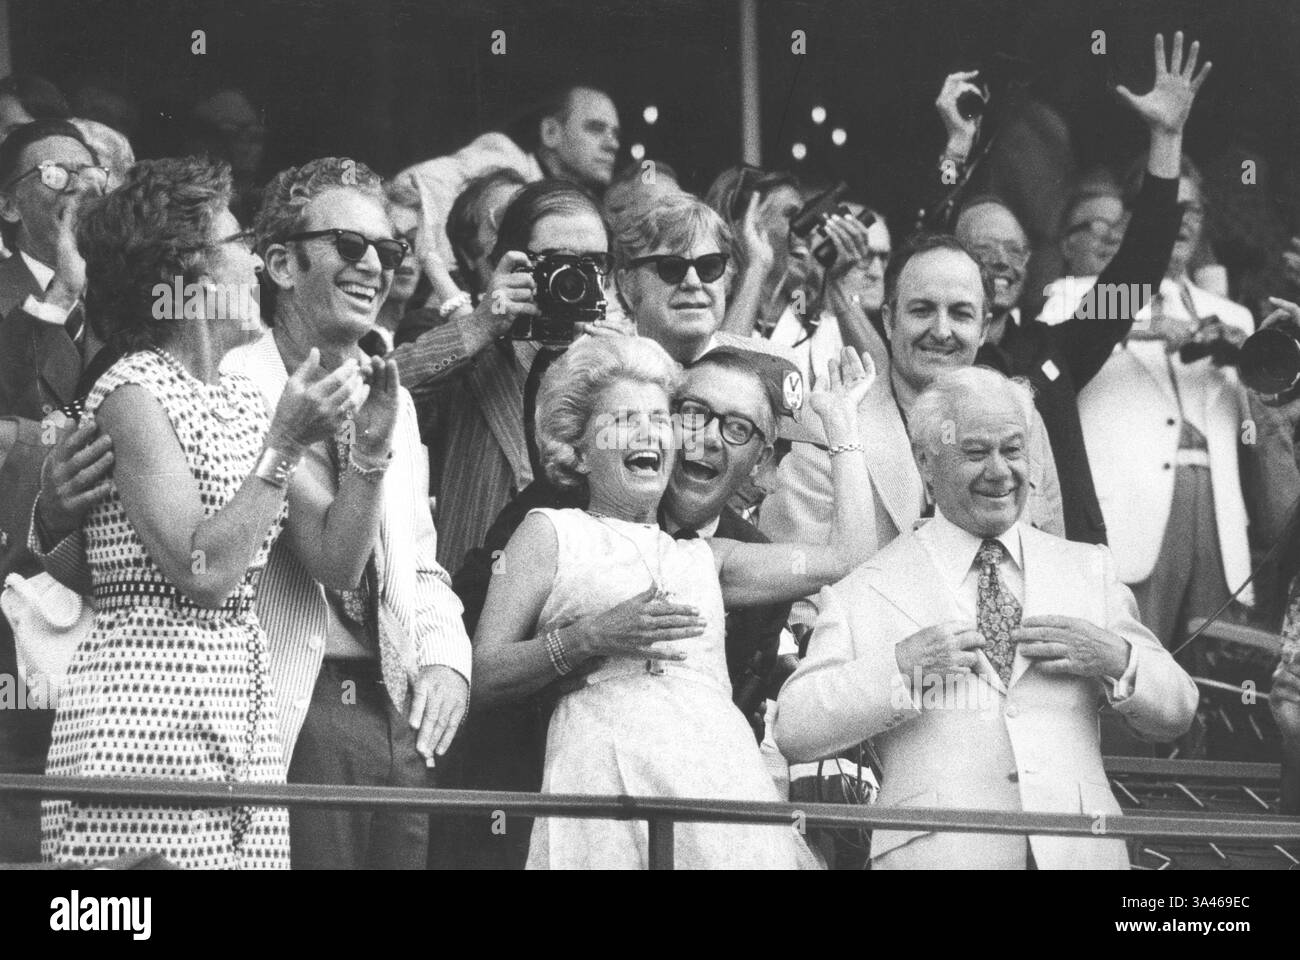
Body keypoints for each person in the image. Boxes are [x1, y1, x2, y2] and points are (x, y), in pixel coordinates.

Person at [37, 156, 360, 867]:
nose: (254, 264)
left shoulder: (245, 396)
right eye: (240, 242)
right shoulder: (132, 392)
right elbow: (203, 571)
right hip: (143, 720)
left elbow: (337, 560)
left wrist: (372, 449)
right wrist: (284, 446)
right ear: (187, 272)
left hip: (241, 720)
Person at [473, 334, 874, 869]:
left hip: (717, 776)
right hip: (602, 774)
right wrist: (585, 640)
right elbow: (478, 676)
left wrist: (842, 426)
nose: (649, 434)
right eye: (624, 421)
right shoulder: (548, 532)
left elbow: (849, 556)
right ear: (578, 450)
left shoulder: (710, 557)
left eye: (659, 420)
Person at [775, 366, 1199, 870]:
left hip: (1078, 853)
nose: (1000, 471)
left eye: (1013, 450)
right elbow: (794, 729)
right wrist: (901, 669)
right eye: (975, 453)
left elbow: (1178, 711)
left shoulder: (1087, 568)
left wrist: (1115, 658)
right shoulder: (867, 587)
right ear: (926, 464)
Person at [222, 156, 472, 869]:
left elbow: (418, 565)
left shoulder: (388, 392)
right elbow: (333, 560)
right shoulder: (235, 384)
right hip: (290, 711)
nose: (375, 268)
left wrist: (448, 662)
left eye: (389, 251)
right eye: (351, 245)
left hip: (396, 715)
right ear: (280, 262)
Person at [949, 31, 1209, 546]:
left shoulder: (1056, 346)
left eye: (1015, 249)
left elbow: (1134, 276)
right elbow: (917, 255)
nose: (1001, 262)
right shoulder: (936, 356)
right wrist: (955, 154)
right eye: (984, 250)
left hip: (1068, 573)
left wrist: (1166, 140)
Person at [759, 232, 1065, 625]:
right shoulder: (830, 421)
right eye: (922, 310)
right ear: (888, 320)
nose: (941, 330)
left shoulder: (1022, 419)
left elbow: (1051, 558)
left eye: (960, 313)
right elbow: (796, 599)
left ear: (985, 327)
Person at [387, 179, 625, 573]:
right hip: (469, 607)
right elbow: (373, 401)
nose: (575, 278)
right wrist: (481, 327)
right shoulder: (472, 357)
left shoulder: (621, 370)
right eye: (558, 261)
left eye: (593, 264)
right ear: (514, 264)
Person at [1077, 153, 1261, 656]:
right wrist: (1160, 327)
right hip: (1131, 515)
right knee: (1130, 672)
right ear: (1138, 216)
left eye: (1194, 210)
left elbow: (1263, 425)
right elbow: (1071, 336)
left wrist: (1242, 354)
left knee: (1212, 678)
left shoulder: (1233, 315)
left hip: (1218, 514)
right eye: (1169, 208)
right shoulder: (1087, 292)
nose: (1182, 221)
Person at [394, 83, 620, 299]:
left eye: (615, 134)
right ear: (550, 132)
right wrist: (453, 274)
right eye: (596, 128)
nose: (612, 144)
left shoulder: (586, 206)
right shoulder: (505, 160)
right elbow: (412, 182)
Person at [0, 119, 108, 419]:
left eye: (88, 173)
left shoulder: (130, 286)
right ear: (9, 206)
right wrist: (62, 293)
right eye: (54, 174)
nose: (78, 187)